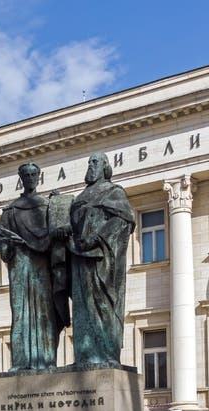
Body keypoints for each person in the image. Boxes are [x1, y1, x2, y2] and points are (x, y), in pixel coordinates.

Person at [0, 162, 70, 372]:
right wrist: (7, 245)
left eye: (34, 174)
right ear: (21, 178)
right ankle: (21, 362)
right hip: (20, 267)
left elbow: (59, 233)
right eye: (26, 175)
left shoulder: (47, 206)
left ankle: (45, 361)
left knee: (45, 314)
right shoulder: (11, 210)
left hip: (43, 267)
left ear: (39, 177)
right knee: (21, 314)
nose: (30, 178)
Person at [68, 152, 136, 368]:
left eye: (95, 162)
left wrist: (97, 237)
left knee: (102, 302)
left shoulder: (114, 192)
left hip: (102, 259)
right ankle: (84, 356)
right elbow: (71, 224)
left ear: (105, 166)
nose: (91, 166)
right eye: (89, 162)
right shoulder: (80, 197)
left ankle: (106, 353)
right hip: (79, 257)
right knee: (82, 306)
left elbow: (123, 222)